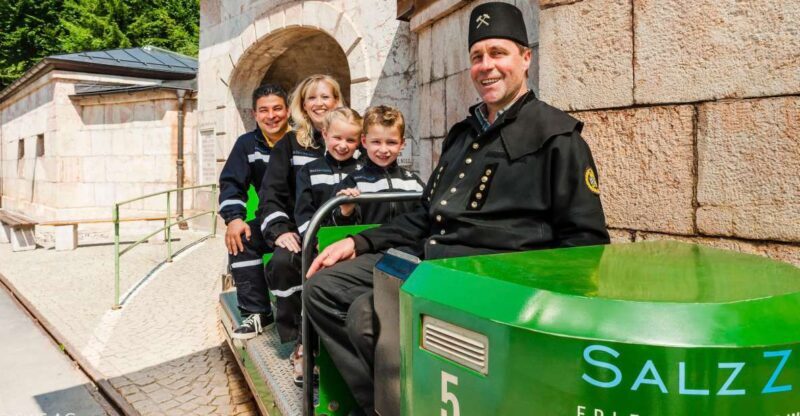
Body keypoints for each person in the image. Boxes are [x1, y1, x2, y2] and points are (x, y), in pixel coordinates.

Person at [303, 3, 610, 414]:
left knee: (364, 314)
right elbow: (428, 214)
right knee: (322, 288)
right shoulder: (462, 135)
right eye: (477, 56)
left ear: (526, 57)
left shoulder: (558, 137)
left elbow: (585, 245)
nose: (487, 66)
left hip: (491, 284)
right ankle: (382, 403)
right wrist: (359, 241)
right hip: (433, 262)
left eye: (498, 53)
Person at [257, 74, 345, 383]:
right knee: (284, 262)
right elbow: (271, 195)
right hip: (300, 230)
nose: (319, 103)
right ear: (303, 106)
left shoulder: (349, 138)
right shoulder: (290, 145)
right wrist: (281, 230)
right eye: (312, 98)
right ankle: (302, 343)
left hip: (341, 232)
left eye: (326, 97)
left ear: (337, 101)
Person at [218, 84, 289, 340]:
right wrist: (234, 219)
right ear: (255, 114)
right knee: (242, 239)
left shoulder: (304, 140)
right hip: (271, 218)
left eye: (277, 108)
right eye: (264, 110)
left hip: (306, 218)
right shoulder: (247, 145)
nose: (271, 116)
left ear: (288, 110)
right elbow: (231, 183)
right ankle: (257, 312)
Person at [333, 105, 425, 226]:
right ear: (364, 141)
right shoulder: (353, 182)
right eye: (376, 142)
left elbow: (424, 218)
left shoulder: (414, 182)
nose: (383, 149)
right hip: (367, 244)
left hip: (406, 243)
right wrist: (345, 212)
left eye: (391, 142)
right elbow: (335, 226)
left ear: (402, 144)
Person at [294, 106, 364, 243]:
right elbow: (303, 213)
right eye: (337, 138)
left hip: (357, 243)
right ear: (325, 134)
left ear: (359, 141)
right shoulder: (308, 171)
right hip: (317, 244)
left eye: (350, 140)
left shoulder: (363, 171)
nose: (343, 146)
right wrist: (315, 242)